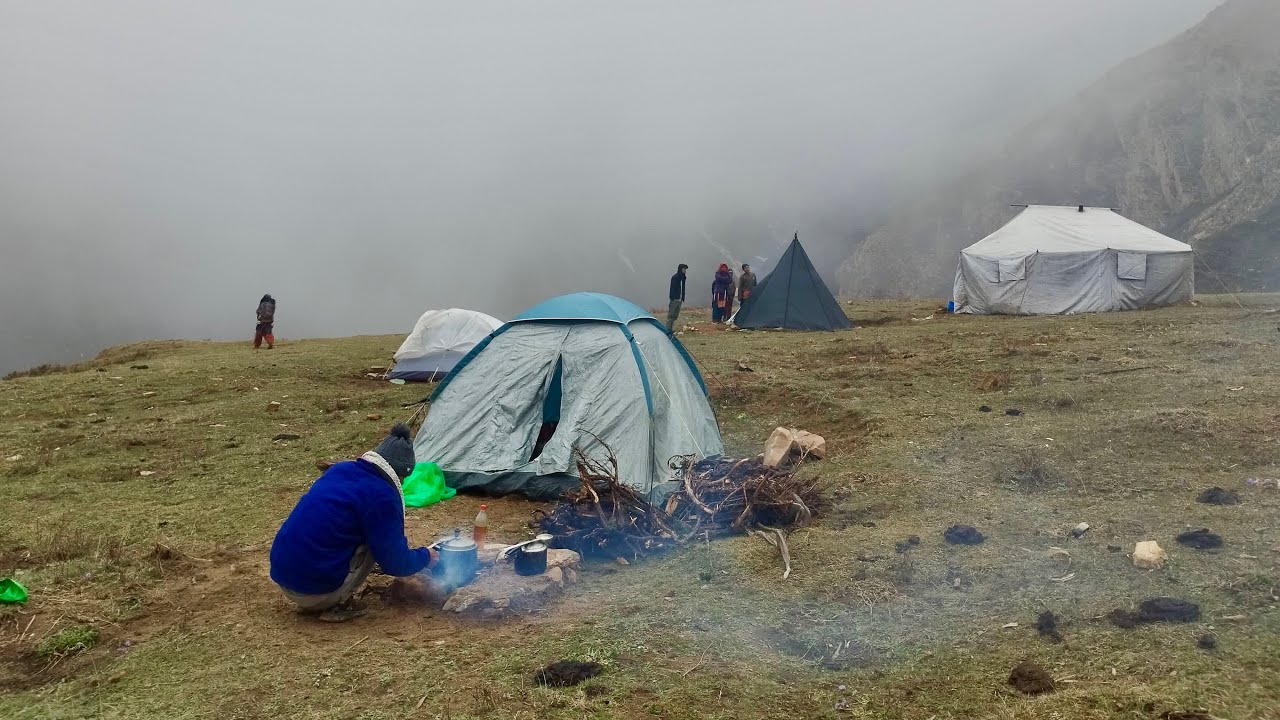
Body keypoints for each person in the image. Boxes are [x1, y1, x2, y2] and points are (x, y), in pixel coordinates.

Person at [269, 424, 435, 622]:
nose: (403, 483)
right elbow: (396, 563)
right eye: (403, 478)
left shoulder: (341, 469)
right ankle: (335, 602)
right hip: (314, 591)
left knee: (349, 530)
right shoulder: (382, 495)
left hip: (285, 578)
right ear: (398, 473)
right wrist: (427, 556)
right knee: (376, 542)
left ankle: (314, 597)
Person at [667, 263, 688, 330]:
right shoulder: (675, 277)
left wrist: (682, 297)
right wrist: (672, 298)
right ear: (680, 269)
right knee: (671, 315)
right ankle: (668, 329)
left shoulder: (683, 278)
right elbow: (672, 288)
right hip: (674, 299)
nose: (685, 270)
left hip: (680, 299)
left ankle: (671, 328)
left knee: (675, 316)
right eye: (684, 269)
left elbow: (683, 288)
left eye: (685, 269)